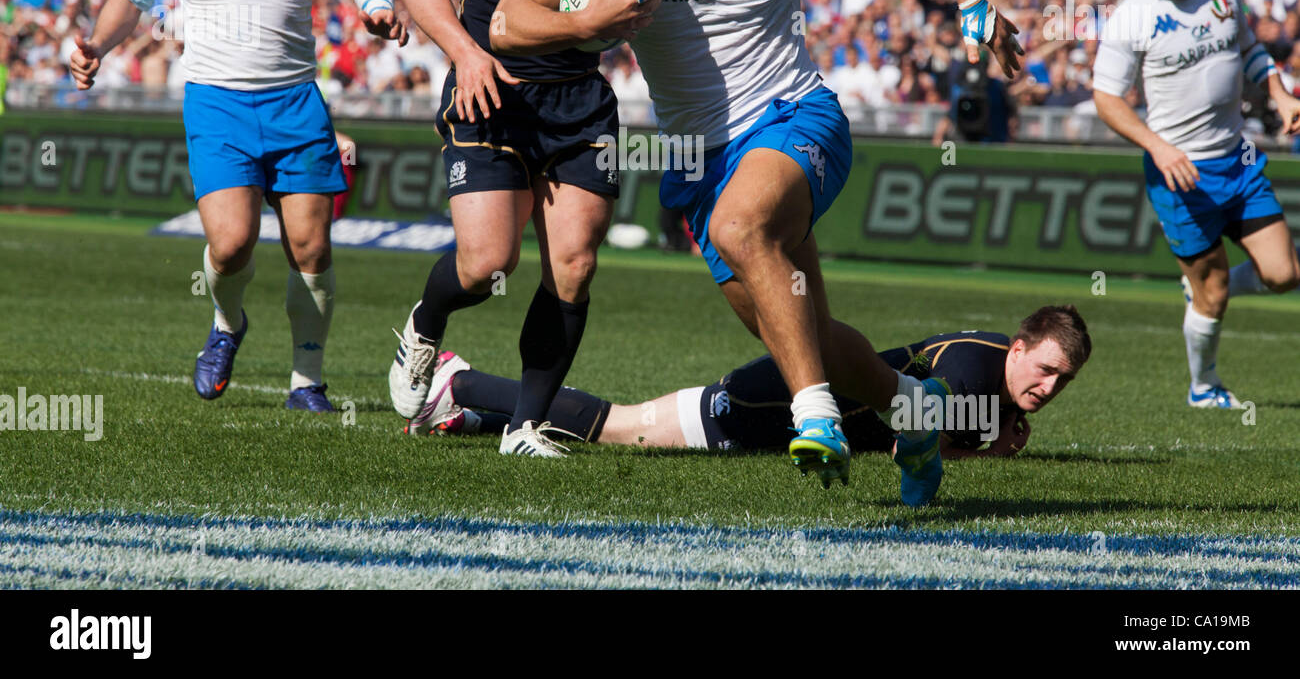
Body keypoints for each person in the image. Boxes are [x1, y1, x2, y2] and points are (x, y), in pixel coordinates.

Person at [492, 0, 1023, 502]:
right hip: (698, 160)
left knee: (740, 228)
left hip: (794, 117)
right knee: (806, 333)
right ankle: (915, 409)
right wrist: (589, 21)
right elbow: (508, 24)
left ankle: (817, 419)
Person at [69, 0, 405, 411]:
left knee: (311, 247)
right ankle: (227, 326)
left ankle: (307, 382)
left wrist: (379, 6)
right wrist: (95, 45)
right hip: (217, 102)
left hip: (295, 102)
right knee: (230, 245)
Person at [388, 0, 624, 458]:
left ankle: (523, 427)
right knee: (488, 263)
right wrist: (465, 54)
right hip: (491, 92)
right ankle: (426, 324)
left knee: (574, 265)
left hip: (580, 99)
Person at [409, 306, 1090, 467]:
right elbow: (911, 448)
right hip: (774, 401)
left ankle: (469, 414)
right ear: (1020, 344)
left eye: (1063, 379)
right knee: (625, 428)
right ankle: (460, 383)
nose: (1050, 385)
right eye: (1045, 367)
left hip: (794, 403)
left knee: (629, 424)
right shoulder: (973, 374)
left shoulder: (990, 374)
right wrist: (986, 449)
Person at [1093, 0, 1300, 409]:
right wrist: (1158, 147)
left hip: (1238, 162)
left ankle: (1201, 285)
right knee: (1215, 293)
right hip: (1179, 173)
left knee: (1285, 274)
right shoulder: (1132, 15)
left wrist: (1281, 93)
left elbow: (1248, 49)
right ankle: (1203, 387)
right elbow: (1107, 98)